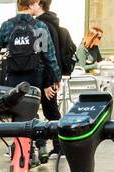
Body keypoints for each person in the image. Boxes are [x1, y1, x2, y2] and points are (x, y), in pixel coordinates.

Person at [0, 0, 61, 164]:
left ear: (18, 6)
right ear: (31, 5)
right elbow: (49, 56)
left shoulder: (8, 25)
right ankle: (40, 144)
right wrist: (55, 78)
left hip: (14, 76)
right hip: (34, 75)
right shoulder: (40, 26)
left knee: (17, 112)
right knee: (31, 110)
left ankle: (23, 151)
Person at [35, 0, 76, 161]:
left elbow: (44, 55)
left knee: (48, 111)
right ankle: (58, 147)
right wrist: (55, 77)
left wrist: (47, 82)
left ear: (38, 4)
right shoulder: (53, 23)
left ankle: (57, 147)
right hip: (52, 75)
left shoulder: (42, 25)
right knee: (50, 110)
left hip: (45, 77)